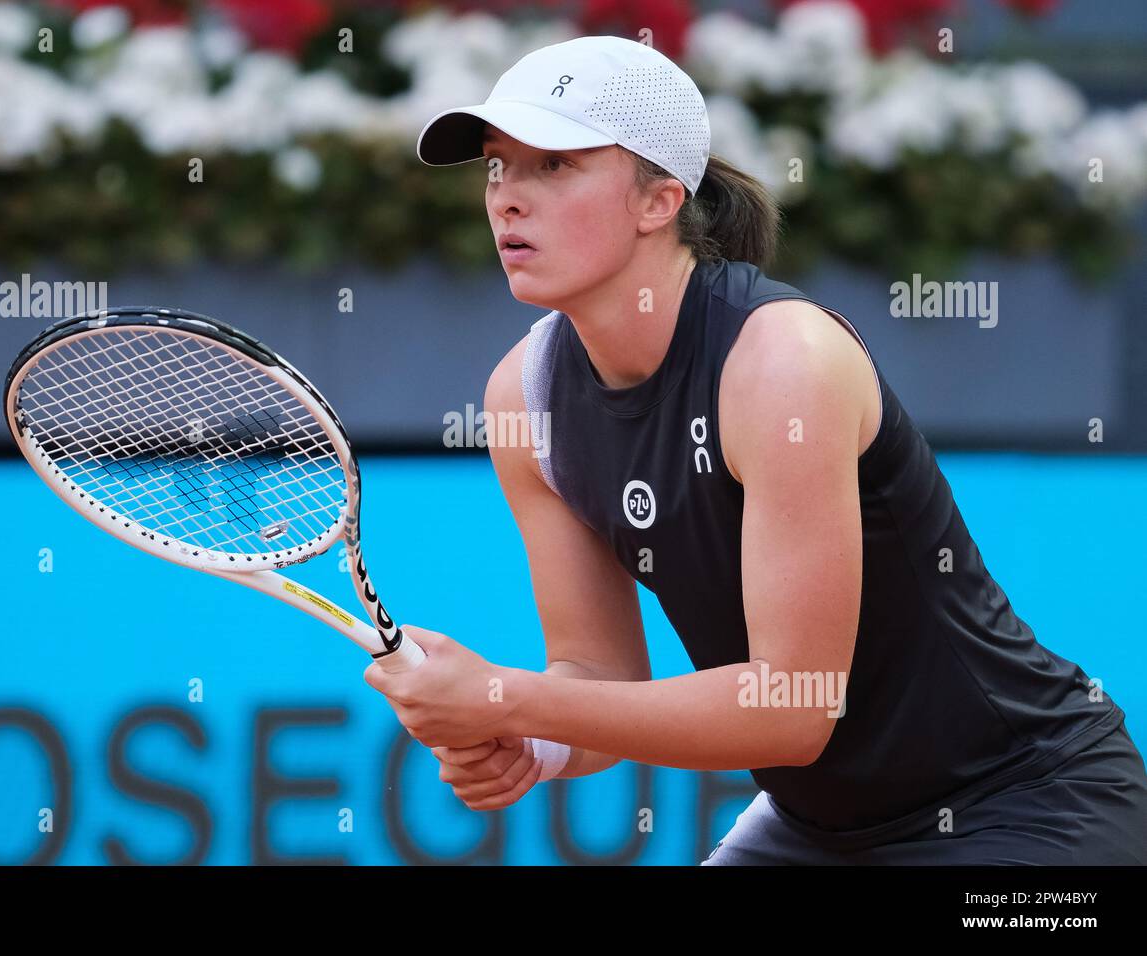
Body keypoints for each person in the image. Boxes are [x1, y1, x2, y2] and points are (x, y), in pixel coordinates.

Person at [364, 35, 1147, 864]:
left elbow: (789, 711)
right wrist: (533, 738)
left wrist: (502, 695)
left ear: (659, 200)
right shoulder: (523, 398)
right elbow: (597, 679)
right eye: (497, 166)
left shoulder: (784, 364)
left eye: (553, 165)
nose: (507, 199)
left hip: (1029, 809)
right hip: (817, 832)